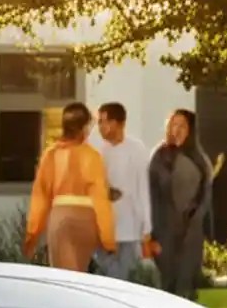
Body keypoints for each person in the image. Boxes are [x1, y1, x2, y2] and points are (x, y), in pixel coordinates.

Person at [24, 102, 117, 271]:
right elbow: (101, 200)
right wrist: (108, 238)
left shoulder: (51, 155)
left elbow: (40, 197)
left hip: (61, 218)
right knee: (79, 275)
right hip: (87, 221)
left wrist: (32, 234)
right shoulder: (93, 156)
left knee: (64, 279)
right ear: (84, 128)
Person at [148, 109, 214, 300]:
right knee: (165, 285)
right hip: (163, 231)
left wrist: (195, 221)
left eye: (181, 125)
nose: (176, 130)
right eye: (172, 124)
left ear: (190, 130)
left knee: (186, 285)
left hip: (191, 233)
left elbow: (205, 197)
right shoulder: (158, 157)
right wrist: (150, 235)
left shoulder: (200, 160)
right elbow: (151, 195)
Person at [89, 102, 157, 280]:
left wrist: (146, 226)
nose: (101, 127)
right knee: (107, 274)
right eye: (99, 122)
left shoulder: (137, 149)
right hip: (103, 226)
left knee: (124, 277)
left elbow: (143, 187)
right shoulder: (97, 148)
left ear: (119, 123)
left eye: (105, 122)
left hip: (129, 227)